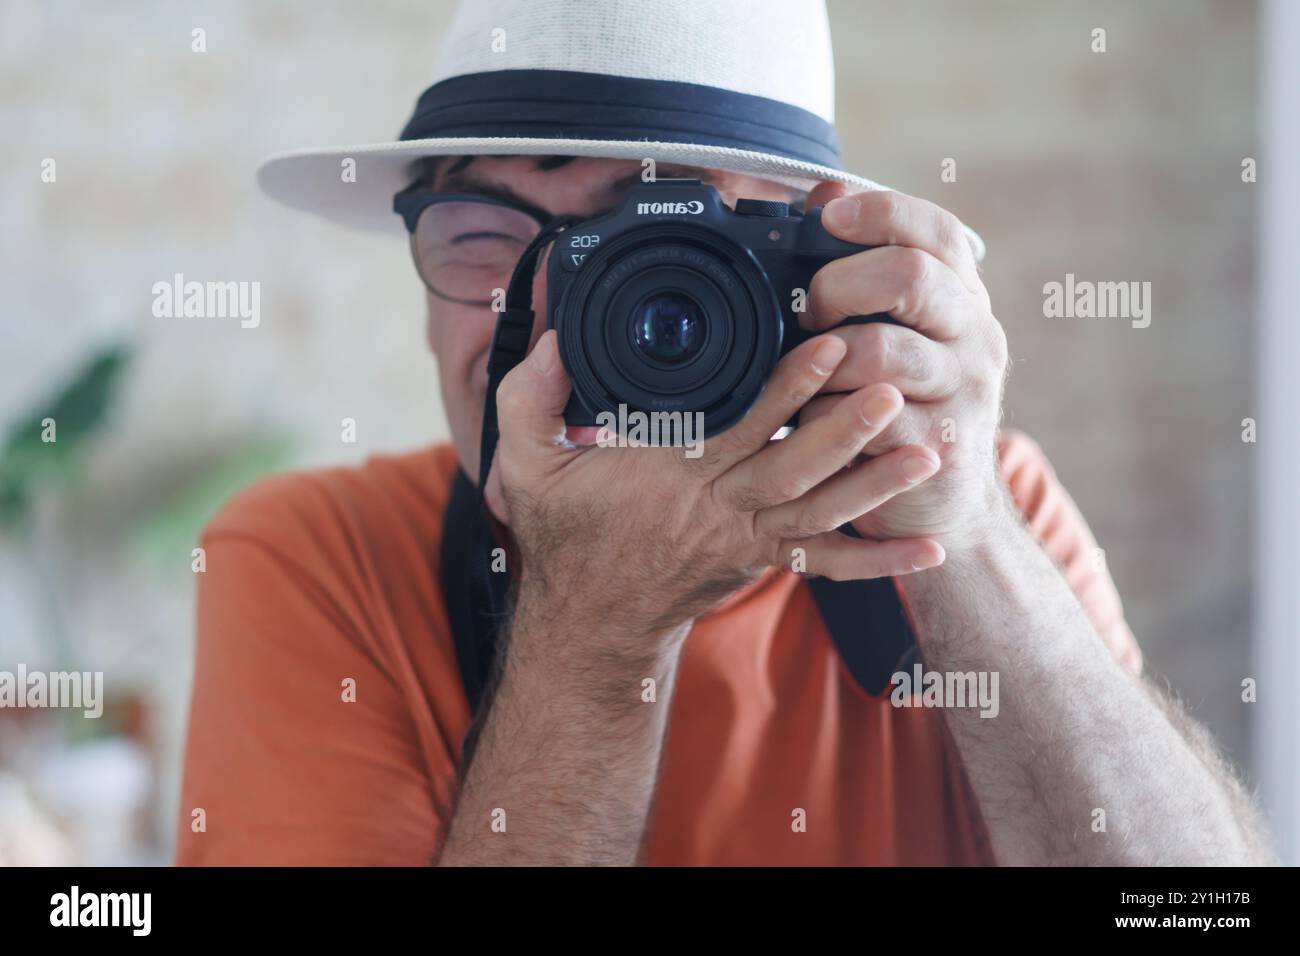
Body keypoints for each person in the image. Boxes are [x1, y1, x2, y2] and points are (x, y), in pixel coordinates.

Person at [176, 0, 1272, 865]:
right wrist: (595, 629)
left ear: (817, 264)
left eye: (644, 247)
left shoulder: (975, 509)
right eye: (480, 232)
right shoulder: (319, 557)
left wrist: (970, 530)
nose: (552, 310)